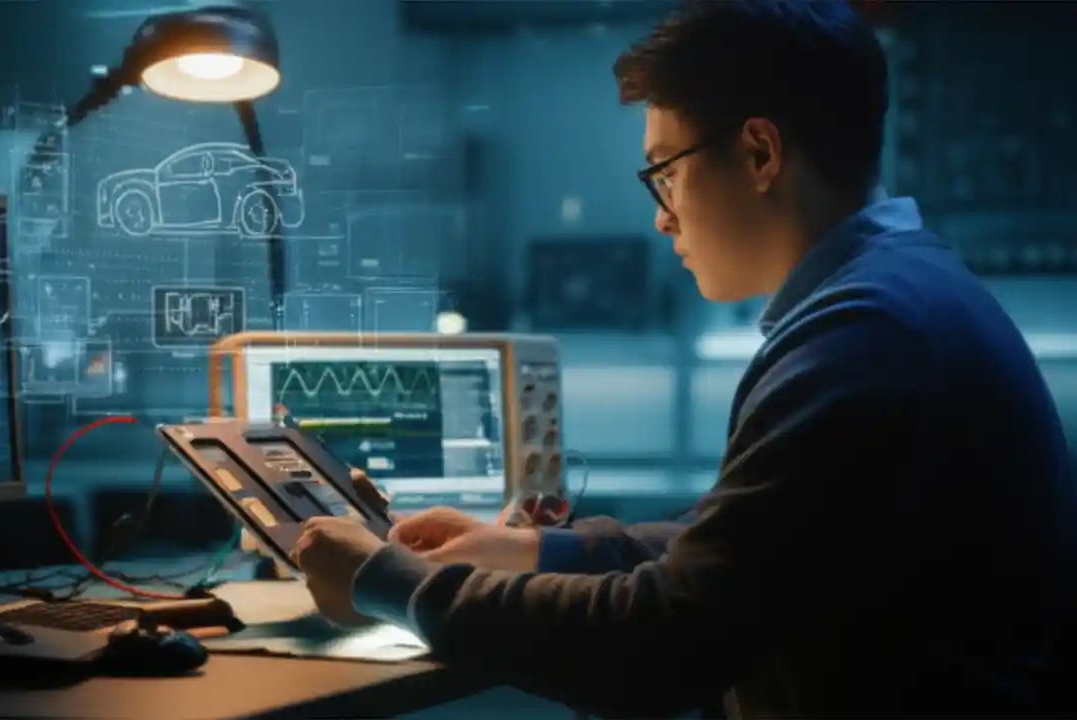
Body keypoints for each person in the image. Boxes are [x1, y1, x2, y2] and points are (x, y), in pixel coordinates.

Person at [290, 1, 1077, 717]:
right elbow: (742, 553)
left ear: (761, 153)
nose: (663, 220)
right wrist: (527, 548)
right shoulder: (903, 294)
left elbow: (663, 640)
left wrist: (385, 582)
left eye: (665, 173)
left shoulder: (868, 336)